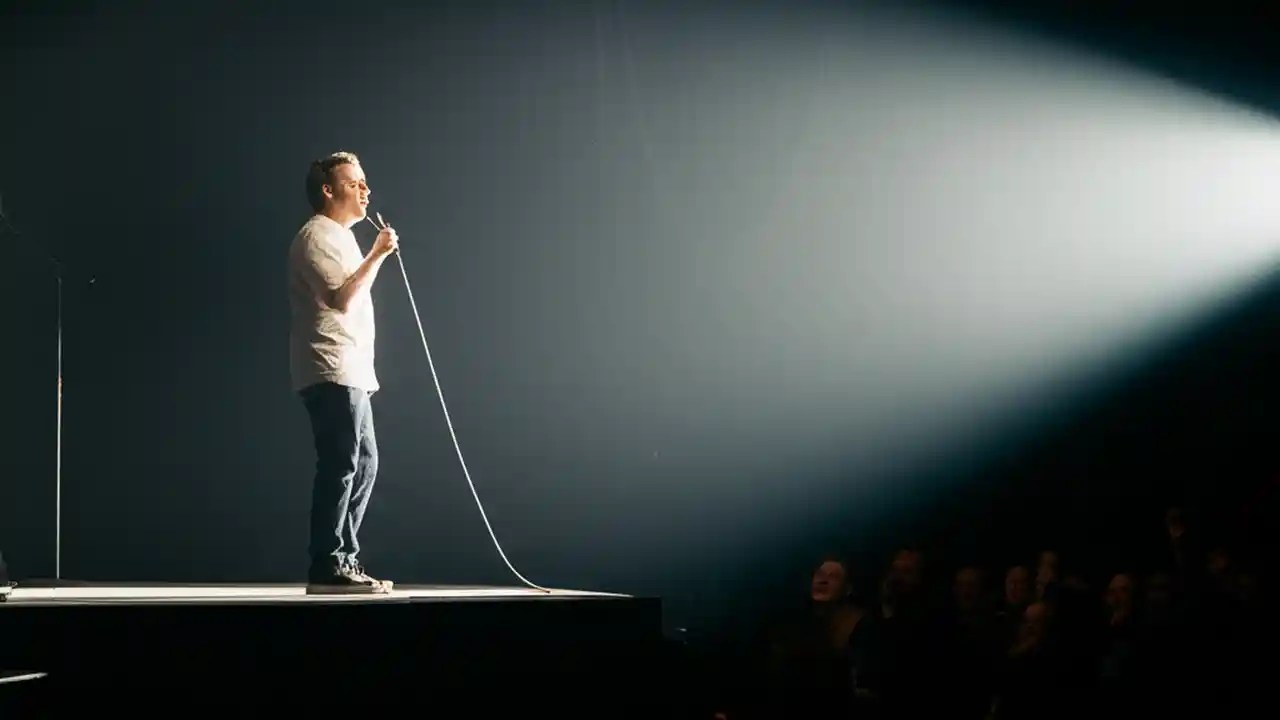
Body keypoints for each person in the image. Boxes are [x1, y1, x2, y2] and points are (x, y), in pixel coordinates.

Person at [288, 151, 399, 593]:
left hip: (350, 370)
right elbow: (339, 299)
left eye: (365, 182)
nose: (365, 190)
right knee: (341, 464)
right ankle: (328, 564)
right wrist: (377, 255)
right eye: (355, 184)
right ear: (328, 191)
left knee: (363, 463)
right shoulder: (316, 236)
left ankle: (343, 560)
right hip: (330, 368)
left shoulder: (340, 237)